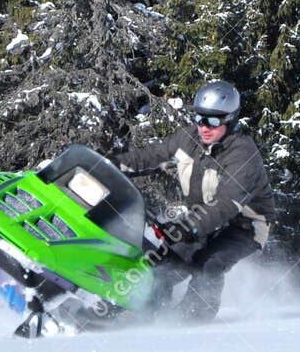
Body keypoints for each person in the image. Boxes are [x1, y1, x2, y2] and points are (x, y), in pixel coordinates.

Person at [113, 81, 276, 322]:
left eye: (213, 121)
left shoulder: (243, 154)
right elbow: (150, 156)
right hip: (199, 217)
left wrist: (191, 227)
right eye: (200, 118)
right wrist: (108, 164)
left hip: (245, 225)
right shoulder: (188, 139)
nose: (204, 127)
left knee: (208, 265)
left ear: (230, 121)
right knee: (164, 266)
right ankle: (141, 314)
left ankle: (192, 324)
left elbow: (226, 204)